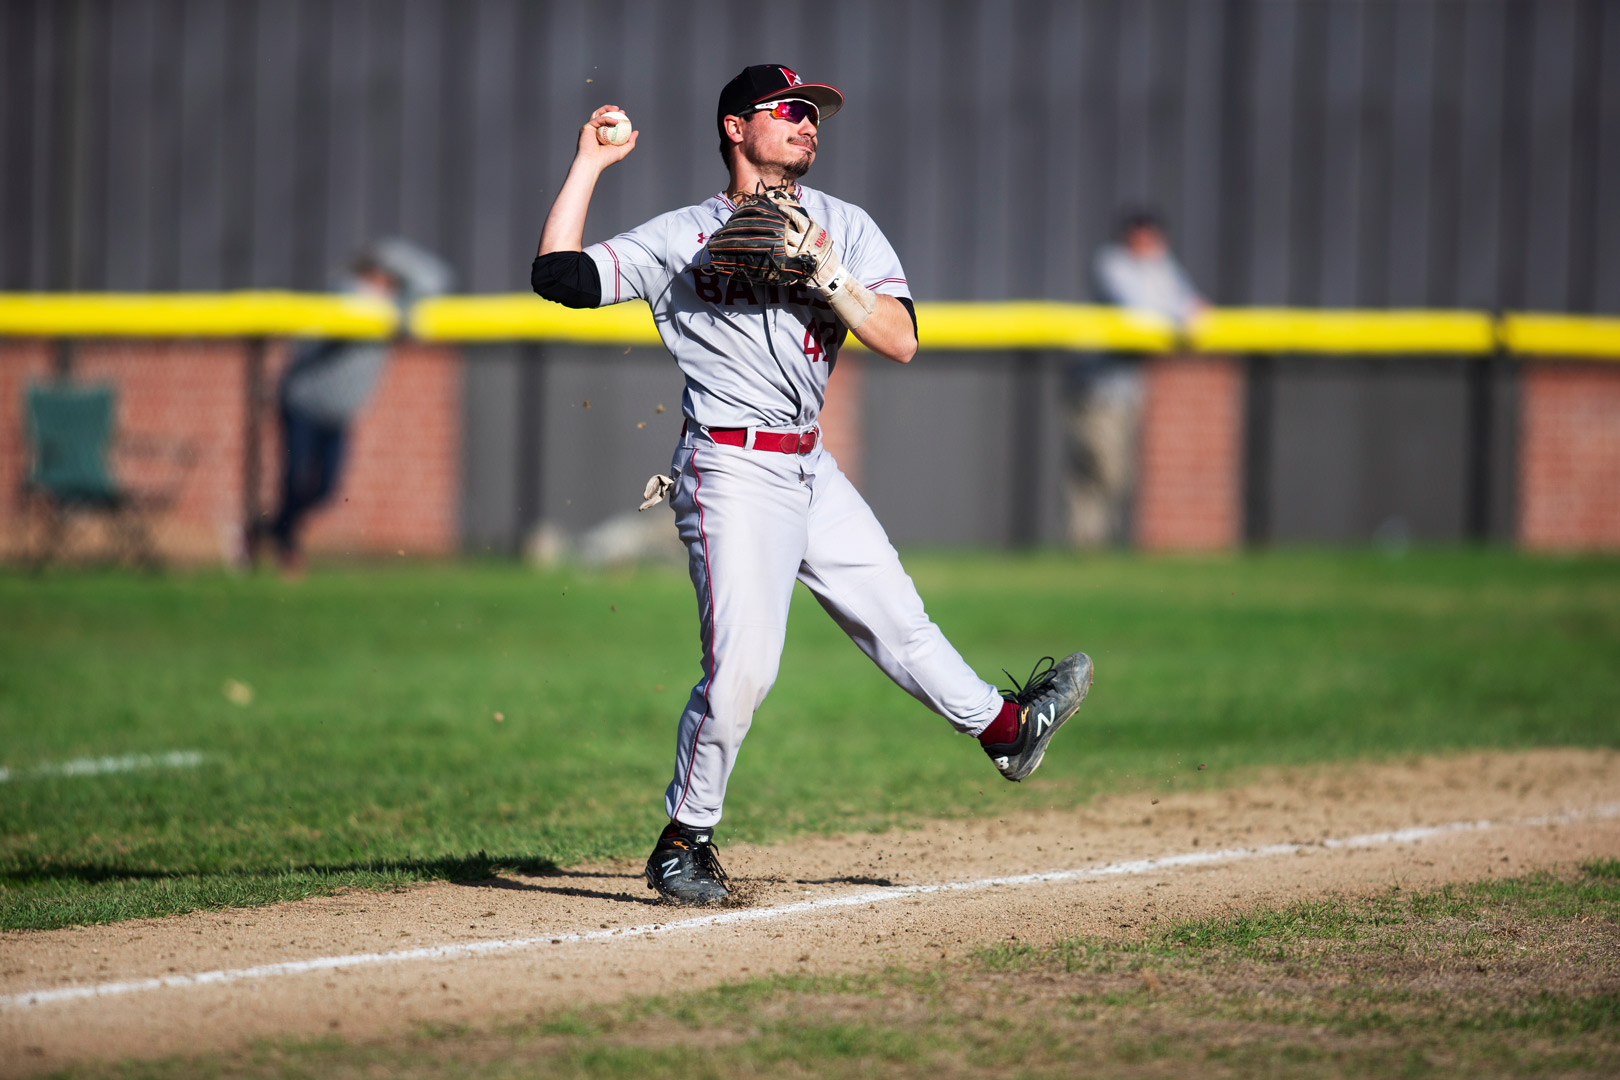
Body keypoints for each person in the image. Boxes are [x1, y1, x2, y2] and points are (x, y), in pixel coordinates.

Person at [530, 65, 1092, 905]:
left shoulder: (846, 226)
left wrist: (830, 275)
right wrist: (589, 166)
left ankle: (1009, 732)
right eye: (789, 111)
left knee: (900, 622)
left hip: (807, 464)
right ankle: (684, 840)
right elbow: (558, 278)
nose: (809, 124)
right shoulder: (682, 234)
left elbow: (899, 340)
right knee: (743, 669)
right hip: (728, 467)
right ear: (734, 128)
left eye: (815, 115)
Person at [254, 238, 451, 577]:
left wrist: (392, 255)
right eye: (377, 274)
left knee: (326, 490)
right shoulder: (343, 295)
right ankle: (284, 546)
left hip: (339, 414)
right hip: (303, 404)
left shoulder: (393, 308)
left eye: (389, 277)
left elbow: (437, 280)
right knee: (296, 480)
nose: (382, 282)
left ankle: (267, 532)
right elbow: (357, 301)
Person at [1068, 210, 1207, 546]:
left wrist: (1184, 309)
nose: (1146, 245)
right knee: (1103, 469)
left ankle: (1093, 544)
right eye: (1139, 237)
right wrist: (1179, 313)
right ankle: (1087, 543)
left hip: (1128, 388)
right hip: (1096, 387)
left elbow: (1194, 306)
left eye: (1152, 238)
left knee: (1114, 474)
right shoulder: (1112, 263)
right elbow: (1139, 309)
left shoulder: (1160, 266)